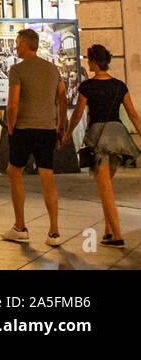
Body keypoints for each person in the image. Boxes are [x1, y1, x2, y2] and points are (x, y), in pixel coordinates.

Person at [65, 43, 141, 248]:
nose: (87, 63)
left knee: (105, 187)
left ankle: (117, 234)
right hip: (119, 136)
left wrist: (67, 135)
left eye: (88, 59)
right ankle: (108, 231)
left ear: (94, 61)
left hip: (99, 136)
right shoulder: (119, 85)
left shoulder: (87, 87)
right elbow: (133, 115)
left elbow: (78, 114)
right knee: (104, 184)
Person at [2, 28, 67, 247]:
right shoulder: (51, 69)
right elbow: (62, 98)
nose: (16, 46)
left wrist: (11, 129)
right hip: (47, 129)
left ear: (27, 44)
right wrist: (61, 126)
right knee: (48, 178)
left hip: (24, 128)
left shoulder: (16, 70)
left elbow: (12, 104)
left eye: (18, 43)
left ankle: (20, 226)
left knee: (14, 172)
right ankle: (54, 232)